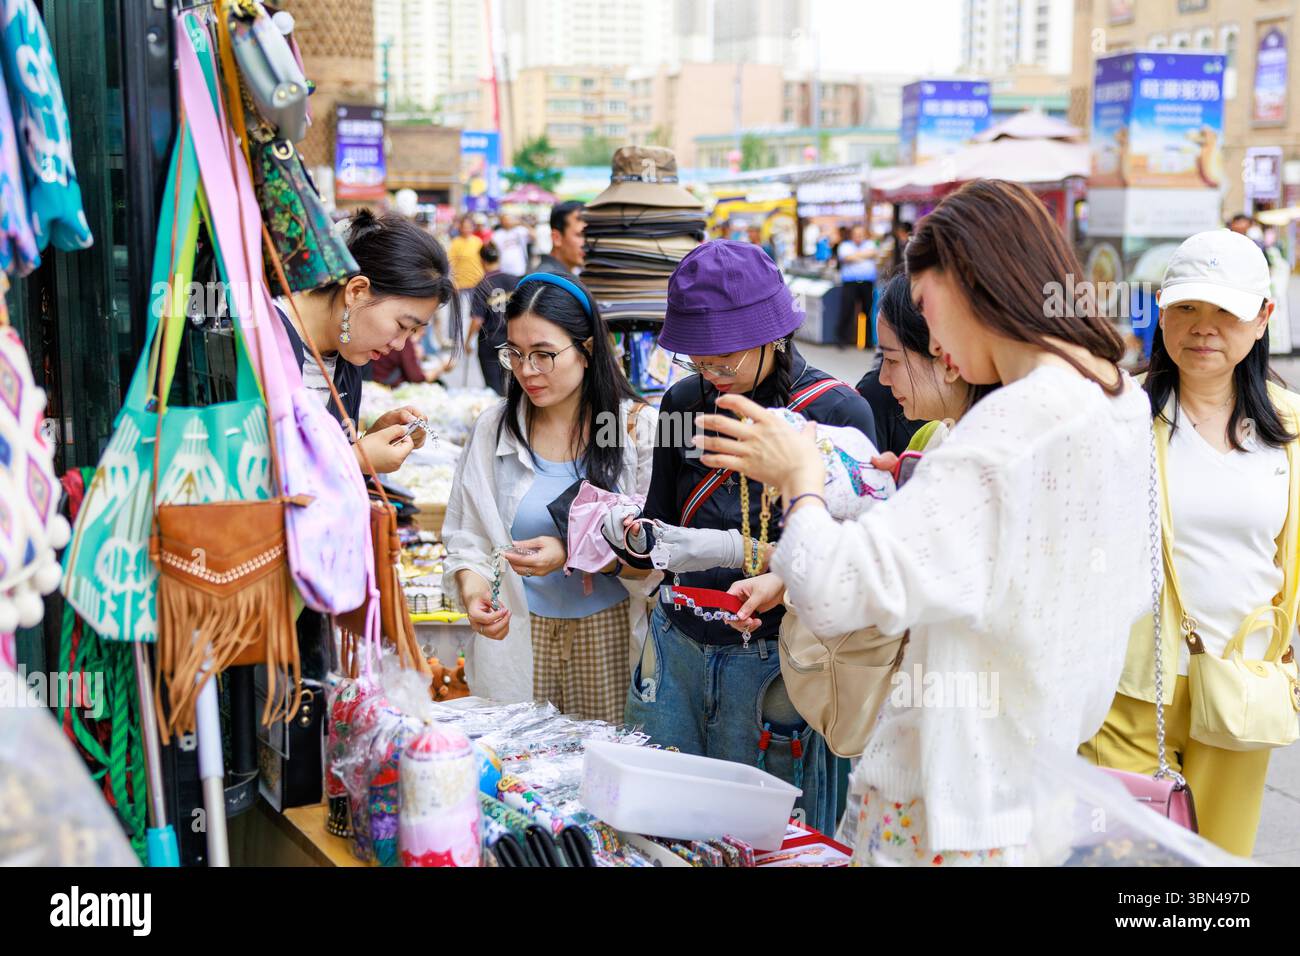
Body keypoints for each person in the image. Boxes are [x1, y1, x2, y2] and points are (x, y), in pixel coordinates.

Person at [695, 180, 1152, 866]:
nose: (934, 341)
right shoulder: (1114, 396)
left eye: (929, 308)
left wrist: (800, 482)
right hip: (1037, 774)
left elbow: (836, 588)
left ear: (975, 284)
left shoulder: (1011, 428)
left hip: (955, 799)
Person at [608, 240, 878, 834]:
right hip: (677, 646)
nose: (710, 373)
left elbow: (851, 565)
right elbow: (661, 519)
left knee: (766, 832)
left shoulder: (838, 412)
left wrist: (778, 575)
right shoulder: (681, 402)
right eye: (698, 359)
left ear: (772, 334)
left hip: (777, 663)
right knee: (662, 823)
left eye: (724, 359)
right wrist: (633, 536)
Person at [1081, 230, 1300, 858]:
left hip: (1241, 685)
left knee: (1216, 869)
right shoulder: (1117, 414)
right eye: (1185, 308)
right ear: (1161, 310)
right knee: (1120, 863)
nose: (1202, 328)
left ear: (1263, 319)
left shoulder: (1287, 429)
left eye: (1224, 312)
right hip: (1127, 687)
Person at [441, 273, 659, 720]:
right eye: (515, 354)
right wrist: (473, 590)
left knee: (602, 771)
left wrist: (573, 551)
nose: (526, 371)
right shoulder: (493, 429)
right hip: (520, 633)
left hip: (609, 634)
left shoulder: (635, 428)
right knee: (519, 772)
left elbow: (660, 543)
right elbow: (467, 534)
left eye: (543, 354)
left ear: (588, 349)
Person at [280, 209, 458, 474]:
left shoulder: (348, 357)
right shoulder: (264, 338)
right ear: (357, 291)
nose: (399, 345)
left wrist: (368, 442)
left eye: (411, 332)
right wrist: (354, 460)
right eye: (401, 326)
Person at [854, 271, 992, 456]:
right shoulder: (930, 437)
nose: (883, 378)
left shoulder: (983, 455)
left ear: (949, 362)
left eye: (892, 360)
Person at [468, 242, 519, 396]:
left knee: (494, 389)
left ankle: (498, 417)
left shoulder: (482, 284)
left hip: (490, 342)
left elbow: (477, 319)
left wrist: (467, 341)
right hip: (512, 339)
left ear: (482, 260)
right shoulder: (514, 280)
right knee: (514, 385)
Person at [837, 224, 878, 349]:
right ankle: (842, 340)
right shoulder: (845, 245)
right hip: (850, 283)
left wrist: (856, 256)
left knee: (867, 311)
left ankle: (867, 342)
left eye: (860, 235)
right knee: (847, 311)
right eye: (856, 235)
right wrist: (863, 256)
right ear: (852, 235)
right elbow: (847, 258)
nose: (858, 237)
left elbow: (873, 253)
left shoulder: (870, 244)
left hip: (866, 283)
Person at [537, 200, 586, 275]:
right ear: (556, 238)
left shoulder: (559, 275)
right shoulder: (549, 281)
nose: (587, 243)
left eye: (589, 235)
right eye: (580, 235)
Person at [448, 214, 486, 306]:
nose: (467, 229)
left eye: (469, 227)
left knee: (476, 314)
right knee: (463, 314)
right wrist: (453, 282)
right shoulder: (455, 242)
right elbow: (450, 263)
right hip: (461, 285)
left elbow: (483, 261)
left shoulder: (478, 241)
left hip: (477, 283)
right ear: (460, 228)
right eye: (464, 227)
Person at [493, 211, 532, 277]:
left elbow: (534, 236)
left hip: (520, 269)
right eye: (505, 220)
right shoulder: (497, 234)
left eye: (509, 219)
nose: (507, 222)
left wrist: (521, 222)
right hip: (504, 270)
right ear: (501, 221)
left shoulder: (520, 230)